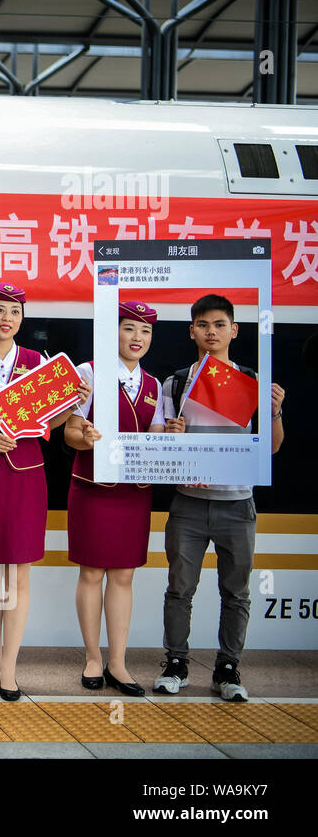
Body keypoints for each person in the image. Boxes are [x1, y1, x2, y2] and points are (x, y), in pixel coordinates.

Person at [0, 283, 88, 701]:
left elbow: (53, 426)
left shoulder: (37, 363)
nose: (7, 318)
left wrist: (73, 403)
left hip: (26, 477)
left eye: (14, 311)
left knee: (19, 575)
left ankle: (10, 666)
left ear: (21, 320)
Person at [155, 294, 285, 701]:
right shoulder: (175, 382)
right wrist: (171, 436)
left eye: (219, 324)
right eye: (203, 325)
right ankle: (176, 663)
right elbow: (158, 444)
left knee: (236, 592)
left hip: (237, 503)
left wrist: (275, 413)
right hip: (188, 501)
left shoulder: (251, 383)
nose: (211, 331)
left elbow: (273, 448)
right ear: (192, 330)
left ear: (234, 330)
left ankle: (228, 669)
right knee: (180, 588)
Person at [64, 301, 166, 697]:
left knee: (124, 576)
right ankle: (92, 657)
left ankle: (118, 662)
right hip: (92, 487)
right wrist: (83, 437)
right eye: (129, 328)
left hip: (134, 492)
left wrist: (170, 436)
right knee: (91, 573)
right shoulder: (88, 373)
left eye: (145, 331)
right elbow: (70, 432)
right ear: (113, 332)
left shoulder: (155, 385)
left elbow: (155, 439)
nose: (137, 338)